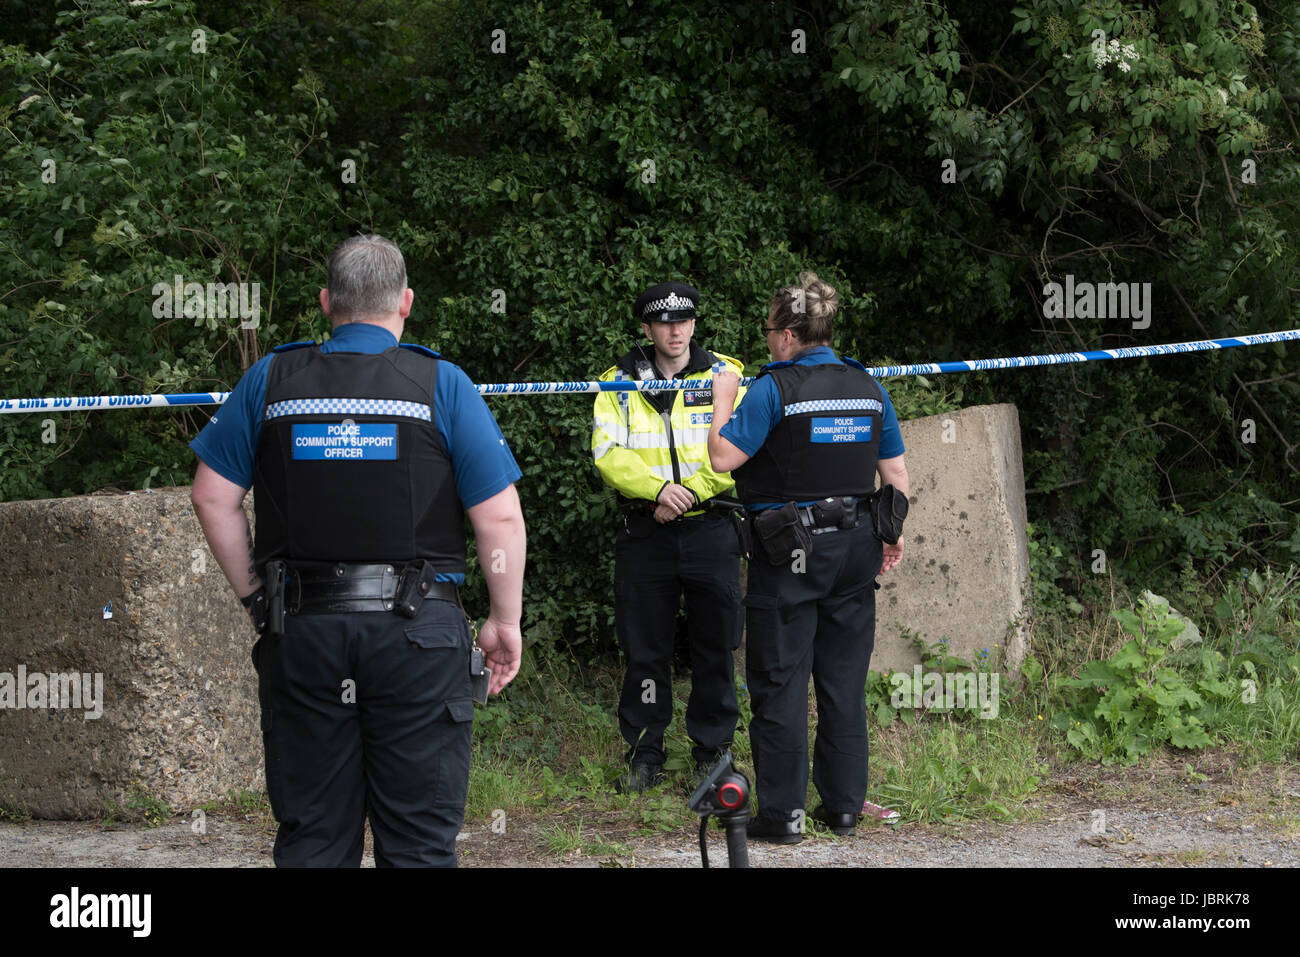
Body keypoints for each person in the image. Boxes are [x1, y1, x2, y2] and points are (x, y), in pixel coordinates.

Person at [189, 234, 525, 867]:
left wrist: (257, 600)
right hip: (417, 637)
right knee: (420, 843)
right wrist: (504, 621)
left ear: (326, 303)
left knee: (314, 838)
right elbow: (500, 516)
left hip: (303, 632)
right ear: (406, 303)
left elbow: (212, 497)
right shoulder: (442, 385)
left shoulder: (270, 380)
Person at [707, 272, 908, 844]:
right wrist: (891, 535)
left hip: (790, 552)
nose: (768, 340)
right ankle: (843, 809)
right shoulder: (868, 388)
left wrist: (725, 399)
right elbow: (895, 476)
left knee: (780, 682)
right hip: (856, 550)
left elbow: (723, 458)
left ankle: (782, 817)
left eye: (770, 330)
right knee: (843, 682)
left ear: (790, 334)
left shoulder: (775, 389)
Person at [591, 281, 747, 793]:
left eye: (683, 320)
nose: (675, 329)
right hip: (645, 532)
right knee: (645, 650)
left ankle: (713, 751)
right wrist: (659, 490)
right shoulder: (615, 380)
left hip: (712, 527)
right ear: (647, 328)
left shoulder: (727, 374)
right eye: (663, 321)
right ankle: (644, 755)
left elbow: (744, 445)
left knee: (715, 646)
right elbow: (608, 453)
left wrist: (691, 493)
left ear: (695, 323)